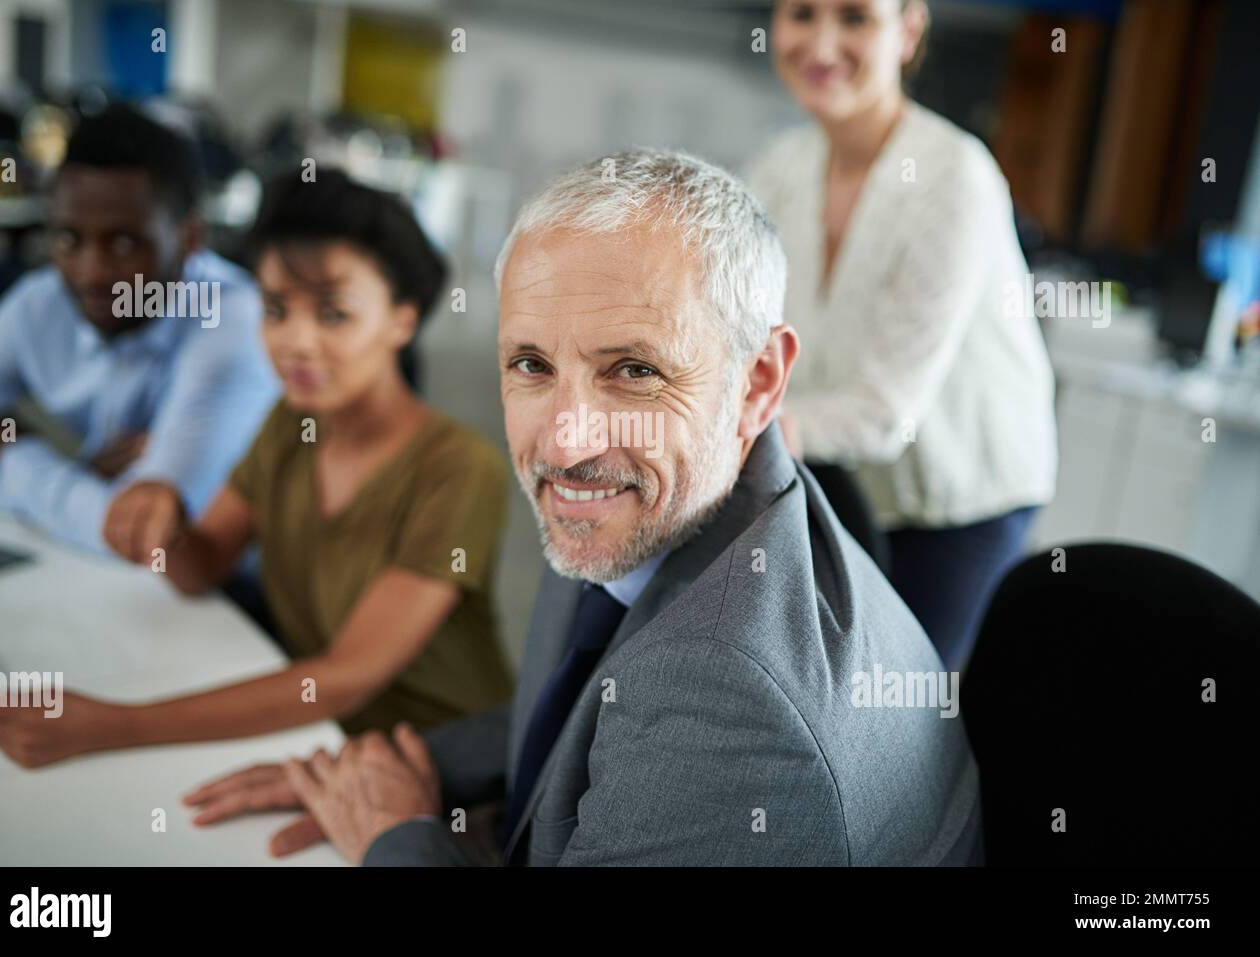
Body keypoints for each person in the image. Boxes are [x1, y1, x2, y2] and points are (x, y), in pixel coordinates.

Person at [181, 149, 982, 866]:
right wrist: (357, 768)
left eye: (633, 370)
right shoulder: (659, 505)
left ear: (760, 381)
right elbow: (567, 710)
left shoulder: (736, 703)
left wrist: (397, 833)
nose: (564, 444)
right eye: (531, 363)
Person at [0, 168, 514, 767]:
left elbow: (348, 674)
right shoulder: (292, 425)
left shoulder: (459, 468)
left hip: (446, 758)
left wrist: (113, 724)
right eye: (276, 309)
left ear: (402, 321)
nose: (295, 341)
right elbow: (201, 567)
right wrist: (166, 516)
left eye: (333, 315)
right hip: (314, 734)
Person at [746, 0, 1058, 670]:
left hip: (959, 496)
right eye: (802, 14)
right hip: (846, 479)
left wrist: (735, 424)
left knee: (895, 707)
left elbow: (885, 414)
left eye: (855, 17)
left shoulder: (953, 176)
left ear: (908, 31)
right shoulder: (781, 166)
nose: (822, 44)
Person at [0, 104, 277, 553]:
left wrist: (11, 453)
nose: (90, 273)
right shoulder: (42, 300)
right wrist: (77, 478)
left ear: (190, 240)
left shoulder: (232, 319)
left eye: (124, 243)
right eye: (69, 239)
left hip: (226, 602)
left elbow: (142, 539)